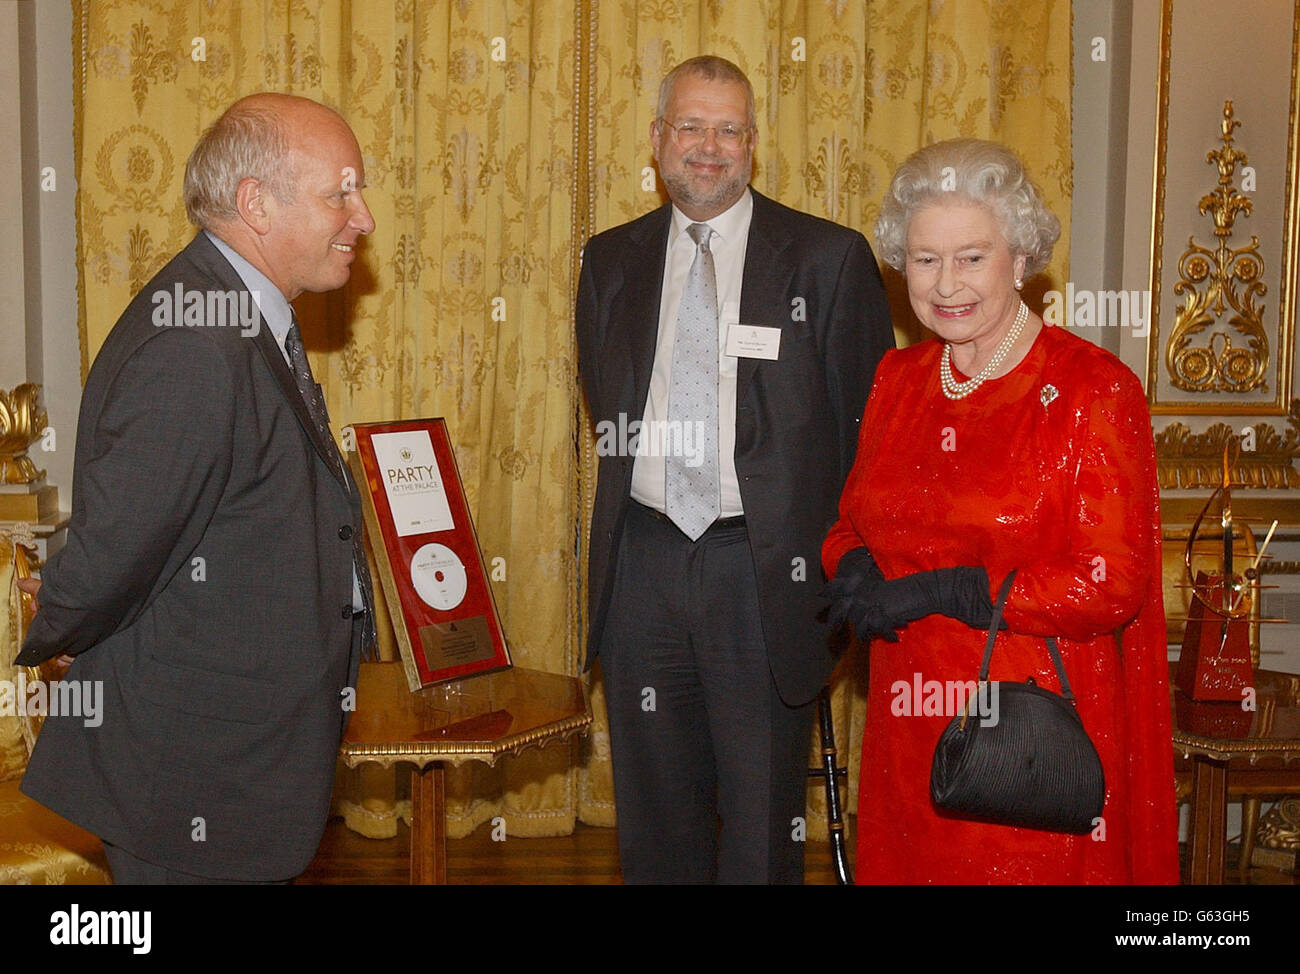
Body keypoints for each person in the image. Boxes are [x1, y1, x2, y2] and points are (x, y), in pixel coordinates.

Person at [15, 92, 377, 884]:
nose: (363, 217)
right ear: (256, 203)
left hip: (234, 764)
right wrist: (53, 633)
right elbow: (120, 546)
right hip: (190, 779)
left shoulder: (235, 311)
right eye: (339, 193)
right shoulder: (195, 342)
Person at [822, 138, 1179, 883]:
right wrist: (850, 563)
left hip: (1029, 735)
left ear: (1020, 259)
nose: (946, 284)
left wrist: (954, 590)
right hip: (908, 724)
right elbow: (852, 520)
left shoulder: (1091, 391)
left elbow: (1111, 584)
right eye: (925, 259)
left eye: (971, 257)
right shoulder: (899, 377)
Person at [576, 55, 894, 884]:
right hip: (641, 567)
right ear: (657, 140)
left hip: (764, 573)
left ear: (753, 143)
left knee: (759, 827)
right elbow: (606, 408)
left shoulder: (828, 260)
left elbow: (870, 436)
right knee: (653, 822)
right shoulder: (608, 262)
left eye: (728, 129)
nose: (707, 147)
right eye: (690, 127)